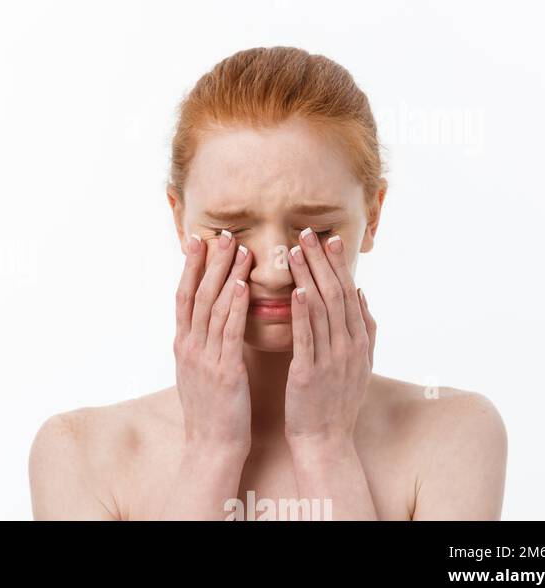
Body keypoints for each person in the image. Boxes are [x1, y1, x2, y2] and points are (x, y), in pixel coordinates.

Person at [28, 47, 507, 520]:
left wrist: (325, 447)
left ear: (374, 215)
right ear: (179, 219)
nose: (276, 269)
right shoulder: (79, 455)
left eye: (316, 231)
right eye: (230, 231)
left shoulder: (455, 437)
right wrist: (210, 452)